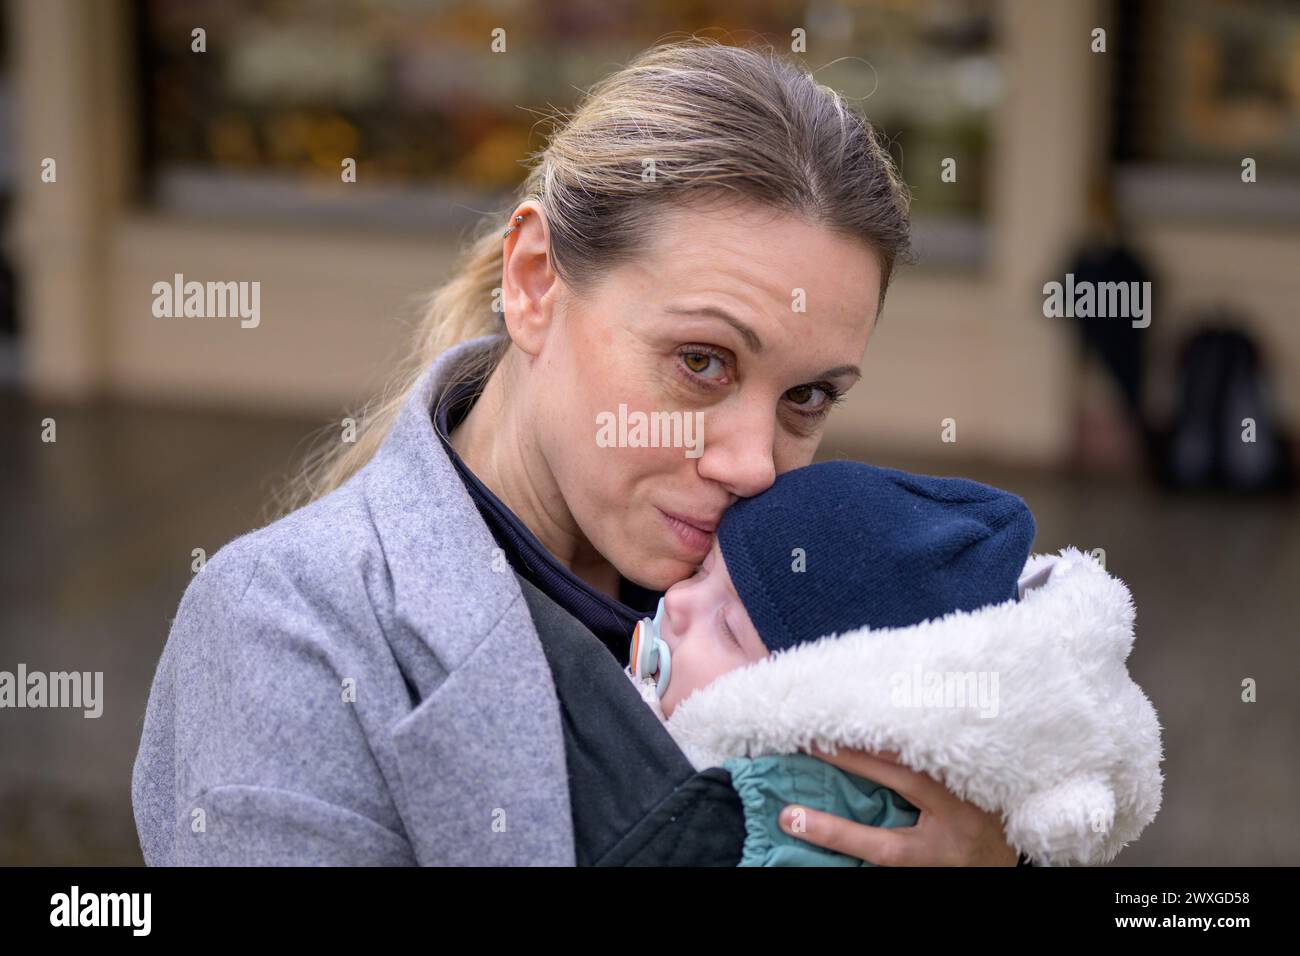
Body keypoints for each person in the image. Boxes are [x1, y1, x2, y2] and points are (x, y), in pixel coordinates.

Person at [132, 37, 1031, 866]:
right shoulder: (288, 632)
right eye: (702, 361)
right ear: (533, 284)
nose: (753, 465)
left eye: (808, 397)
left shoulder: (837, 587)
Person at [625, 460, 1164, 866]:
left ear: (803, 709)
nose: (674, 600)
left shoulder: (777, 822)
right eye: (700, 572)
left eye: (730, 630)